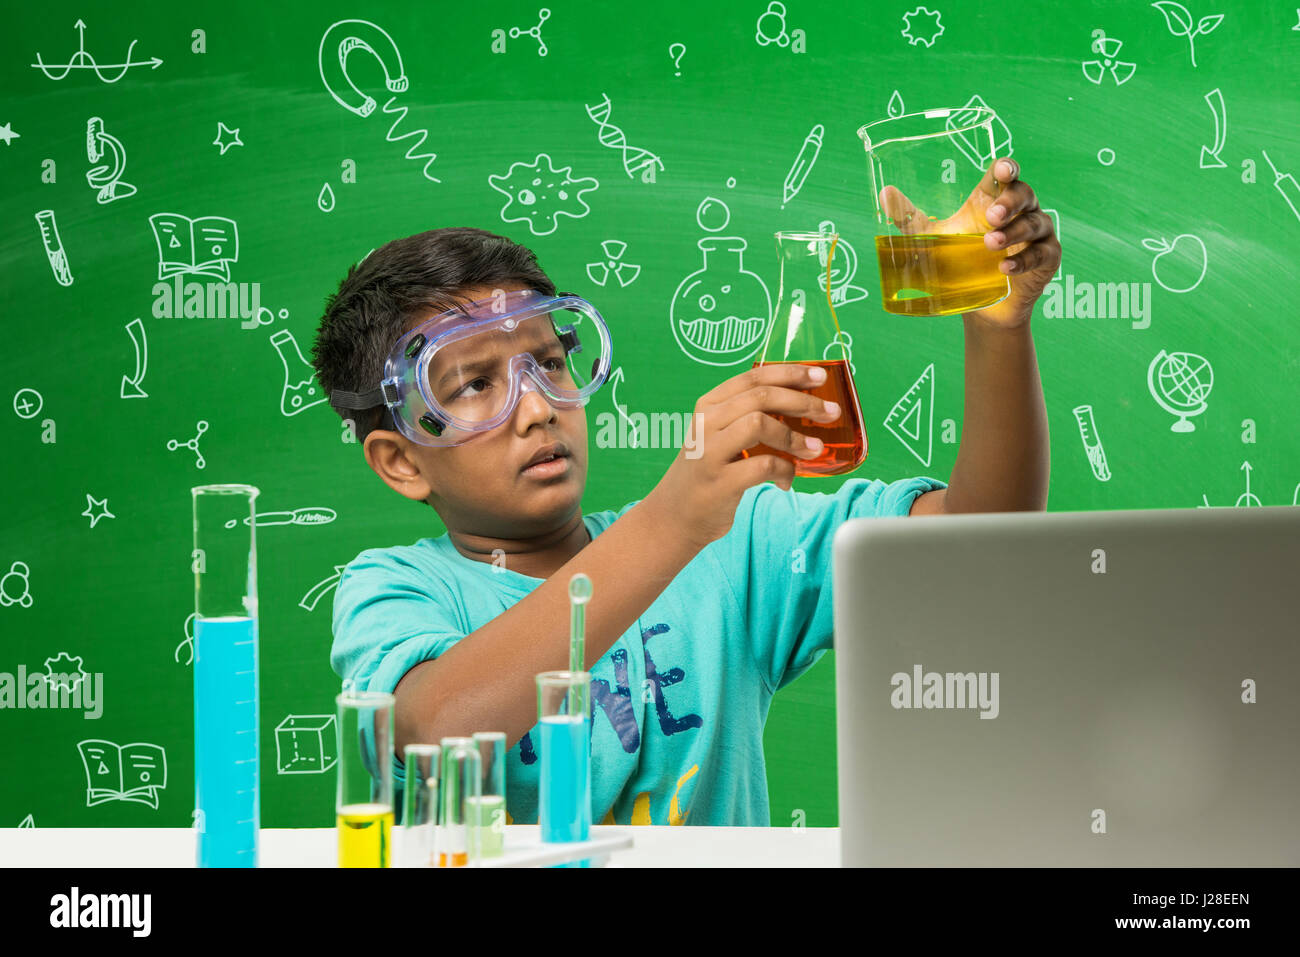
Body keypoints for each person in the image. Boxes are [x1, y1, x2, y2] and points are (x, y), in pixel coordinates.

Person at [311, 156, 1060, 827]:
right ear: (401, 461)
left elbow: (977, 544)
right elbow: (438, 722)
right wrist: (671, 521)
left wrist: (997, 329)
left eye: (550, 363)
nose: (538, 406)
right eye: (476, 383)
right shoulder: (397, 588)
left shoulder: (732, 541)